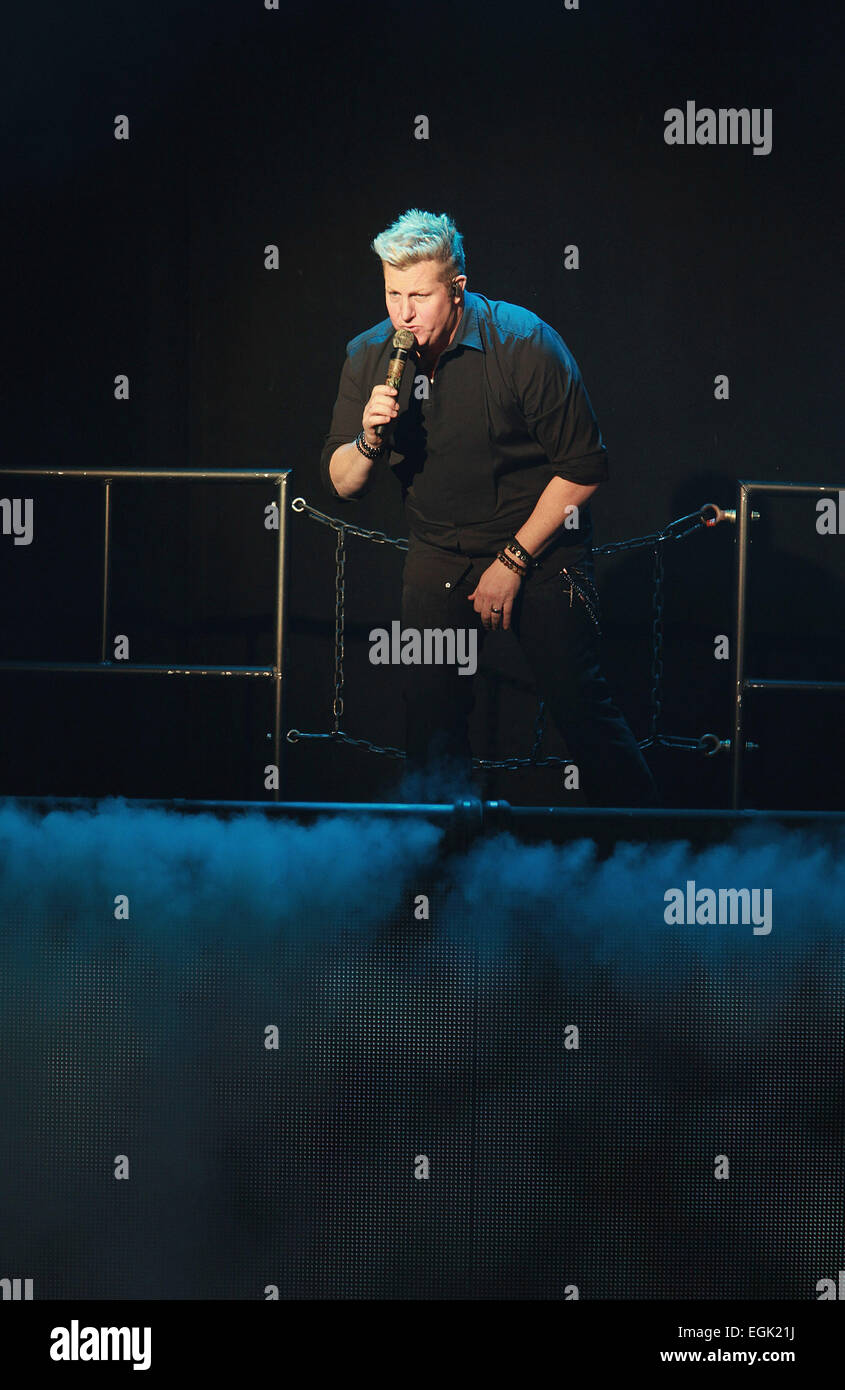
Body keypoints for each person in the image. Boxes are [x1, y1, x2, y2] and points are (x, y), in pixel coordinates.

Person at [319, 208, 658, 806]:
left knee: (579, 706)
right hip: (438, 551)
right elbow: (343, 483)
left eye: (419, 296)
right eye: (393, 293)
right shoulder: (368, 353)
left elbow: (584, 468)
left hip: (539, 545)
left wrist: (513, 560)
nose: (404, 313)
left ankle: (644, 856)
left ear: (457, 290)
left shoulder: (524, 343)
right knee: (430, 722)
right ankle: (441, 877)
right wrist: (370, 438)